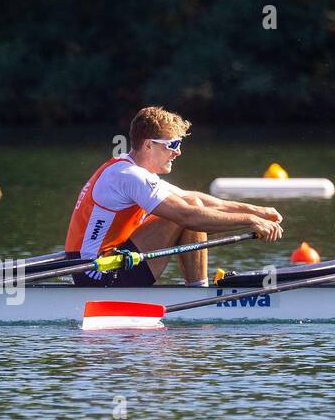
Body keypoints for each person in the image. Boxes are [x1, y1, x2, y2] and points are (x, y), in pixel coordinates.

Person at [65, 106, 283, 287]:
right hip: (95, 272)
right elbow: (188, 216)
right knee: (187, 213)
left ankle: (198, 288)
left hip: (106, 262)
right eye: (173, 145)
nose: (178, 152)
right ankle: (199, 292)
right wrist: (250, 221)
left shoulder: (131, 169)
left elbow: (201, 200)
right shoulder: (129, 176)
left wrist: (257, 211)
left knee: (191, 204)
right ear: (148, 145)